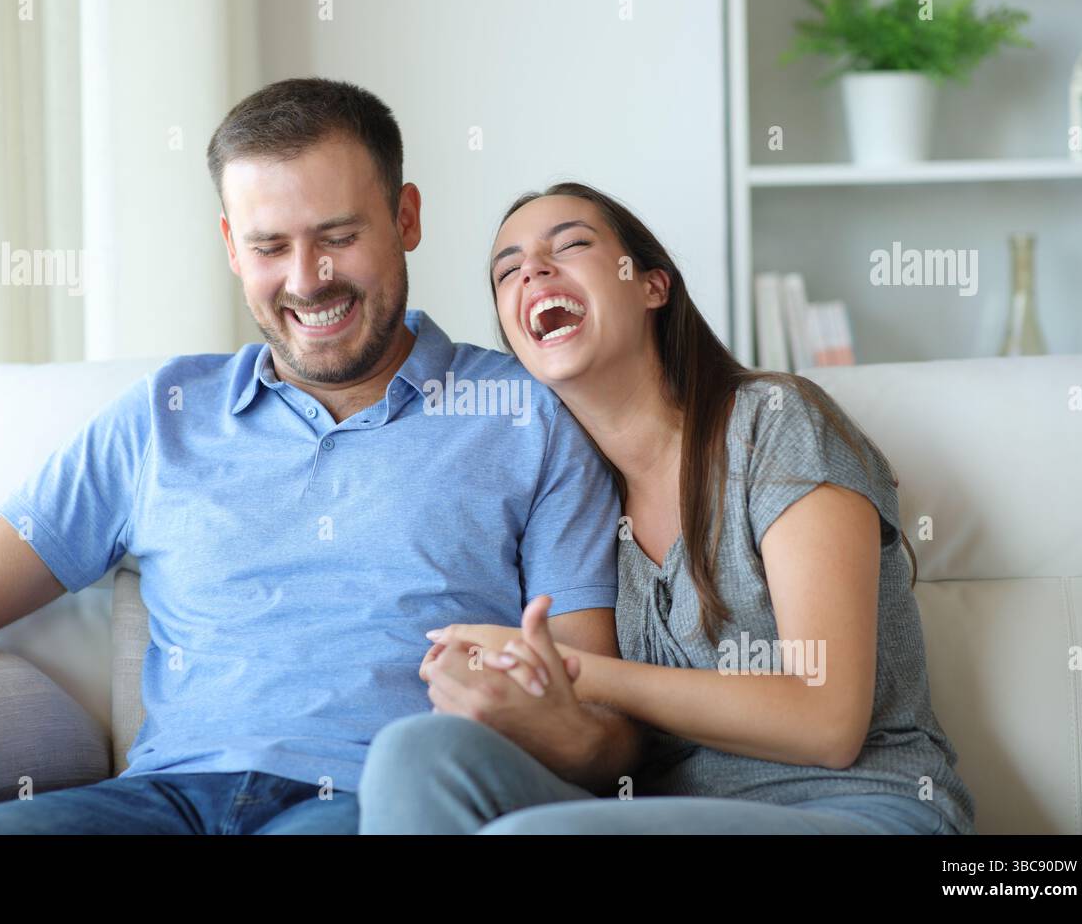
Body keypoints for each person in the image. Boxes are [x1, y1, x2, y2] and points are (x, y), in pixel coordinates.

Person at [0, 79, 648, 834]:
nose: (307, 279)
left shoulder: (528, 416)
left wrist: (552, 728)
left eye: (338, 236)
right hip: (158, 805)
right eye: (268, 247)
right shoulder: (163, 416)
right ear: (229, 244)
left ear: (406, 218)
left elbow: (606, 727)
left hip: (373, 805)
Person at [357, 181, 977, 835]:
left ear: (653, 286)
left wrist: (583, 673)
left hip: (856, 808)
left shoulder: (774, 424)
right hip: (653, 816)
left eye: (569, 245)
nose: (532, 269)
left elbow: (828, 721)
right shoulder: (570, 503)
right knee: (412, 754)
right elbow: (598, 748)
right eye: (507, 270)